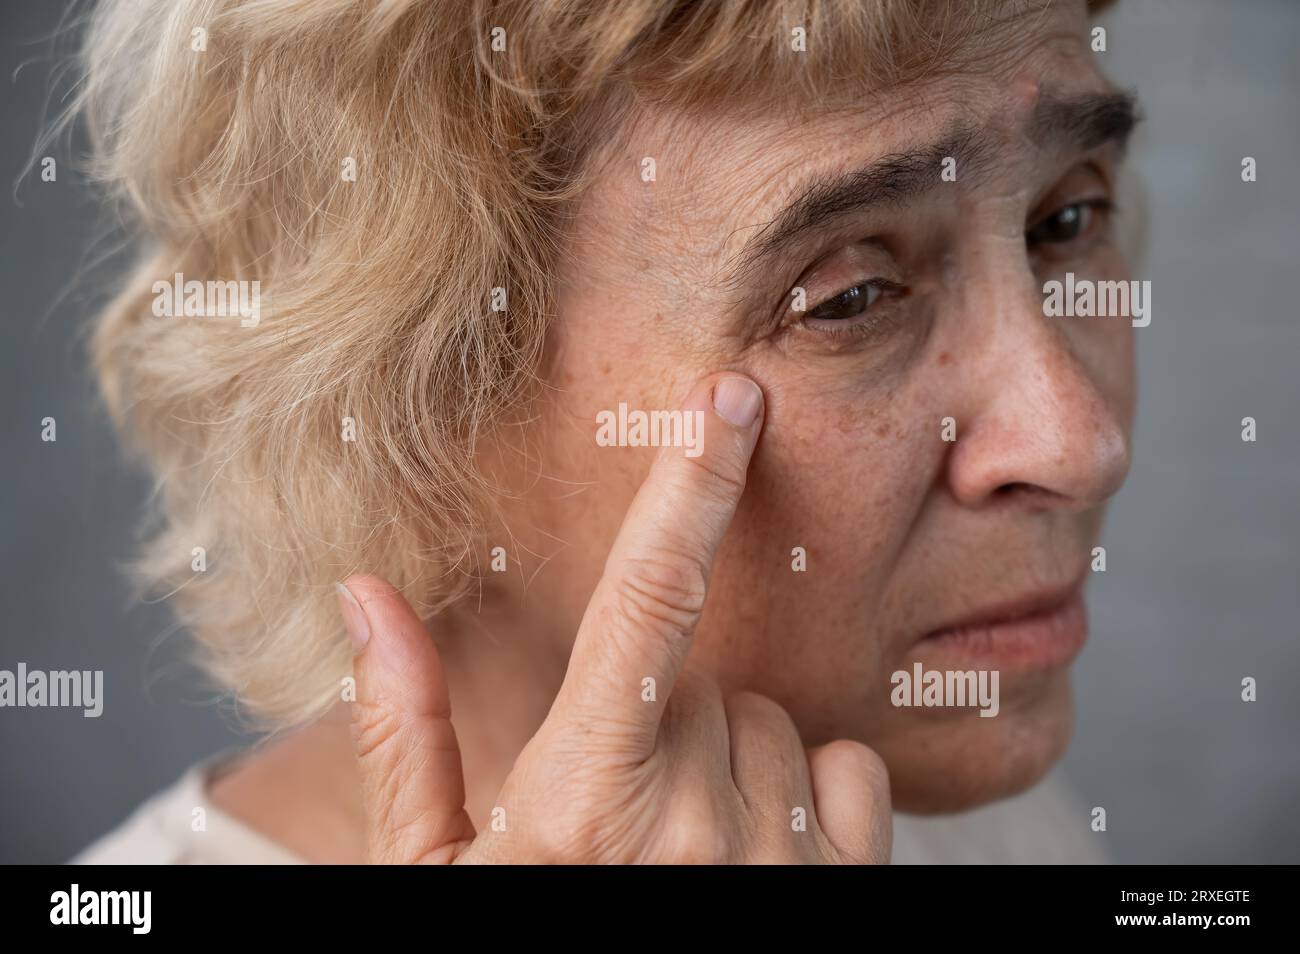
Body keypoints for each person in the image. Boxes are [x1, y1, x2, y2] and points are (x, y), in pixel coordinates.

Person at [74, 0, 1133, 864]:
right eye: (850, 298)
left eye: (1064, 221)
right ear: (419, 403)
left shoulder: (918, 797)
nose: (1077, 444)